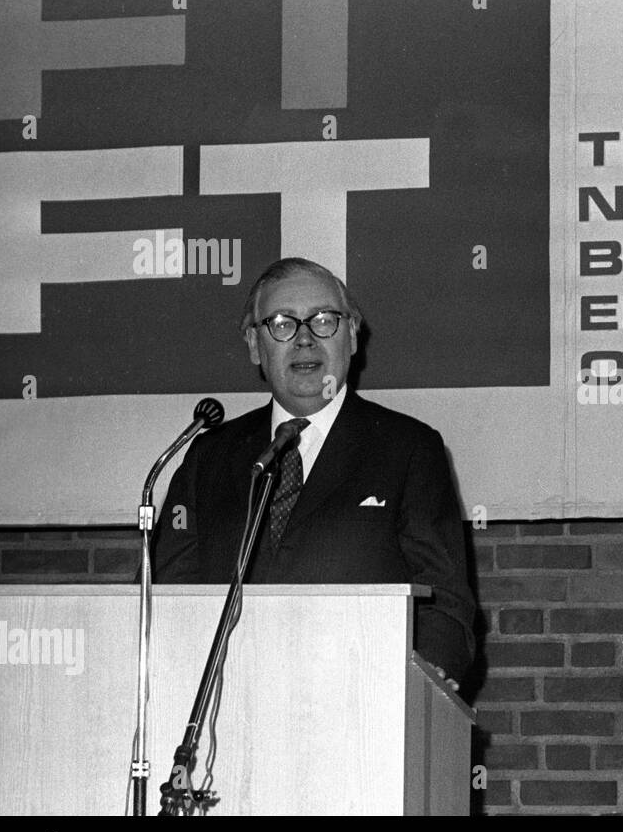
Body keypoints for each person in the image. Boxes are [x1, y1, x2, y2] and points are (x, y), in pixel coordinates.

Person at [151, 257, 476, 686]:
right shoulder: (209, 456)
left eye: (324, 320)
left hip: (360, 705)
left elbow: (444, 603)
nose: (305, 340)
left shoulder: (409, 449)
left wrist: (426, 676)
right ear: (253, 344)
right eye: (282, 324)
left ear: (353, 335)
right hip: (224, 710)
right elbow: (163, 597)